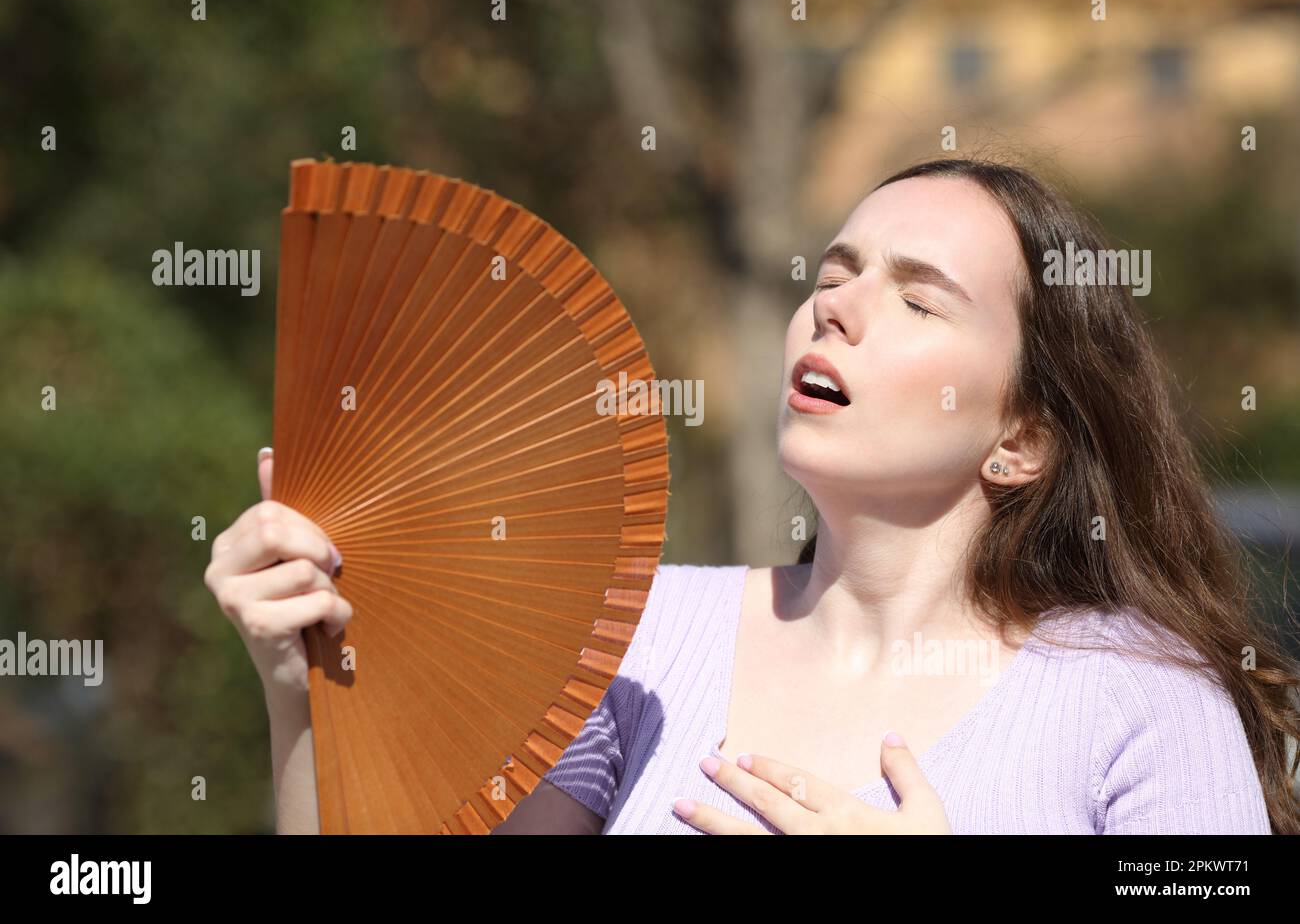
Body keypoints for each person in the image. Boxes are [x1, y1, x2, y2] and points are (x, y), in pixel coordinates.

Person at [204, 157, 1299, 835]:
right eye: (831, 275)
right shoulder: (634, 634)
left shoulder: (1142, 696)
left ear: (1019, 438)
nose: (837, 308)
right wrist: (302, 686)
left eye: (918, 301)